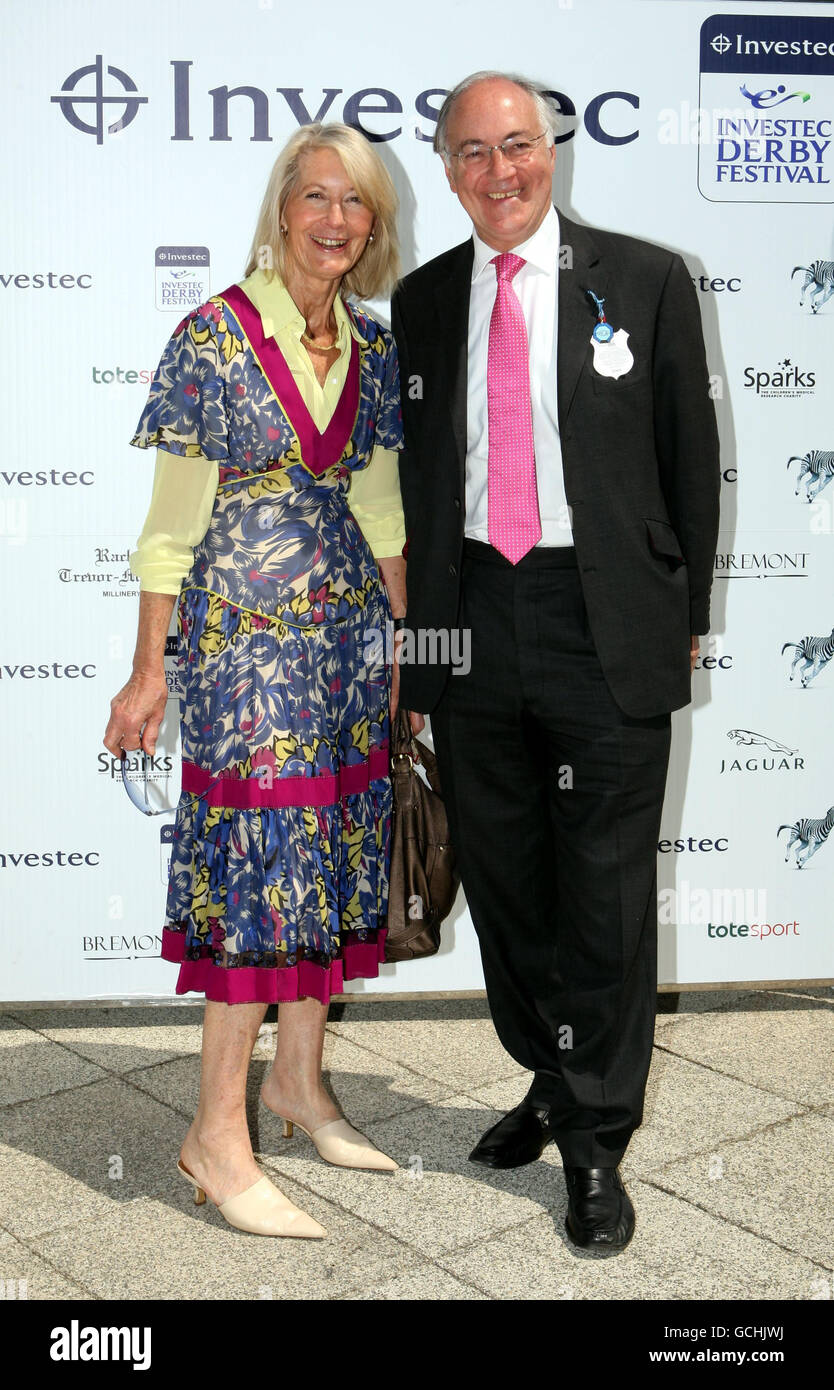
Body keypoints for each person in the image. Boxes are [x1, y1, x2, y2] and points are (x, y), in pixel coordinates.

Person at [391, 72, 720, 1252]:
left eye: (517, 145)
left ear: (552, 150)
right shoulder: (422, 303)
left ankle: (594, 1140)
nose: (499, 171)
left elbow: (691, 457)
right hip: (473, 611)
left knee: (607, 895)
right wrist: (419, 668)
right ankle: (548, 1068)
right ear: (447, 167)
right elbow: (423, 502)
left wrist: (678, 614)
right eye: (472, 152)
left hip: (604, 621)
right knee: (512, 878)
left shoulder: (642, 278)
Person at [103, 123, 408, 1239]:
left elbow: (381, 512)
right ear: (282, 209)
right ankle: (213, 1135)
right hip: (245, 659)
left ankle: (297, 1083)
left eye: (356, 204)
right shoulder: (214, 339)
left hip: (346, 650)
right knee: (255, 875)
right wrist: (149, 673)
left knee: (333, 854)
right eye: (316, 197)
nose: (334, 220)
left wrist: (407, 653)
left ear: (372, 226)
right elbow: (169, 530)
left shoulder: (371, 347)